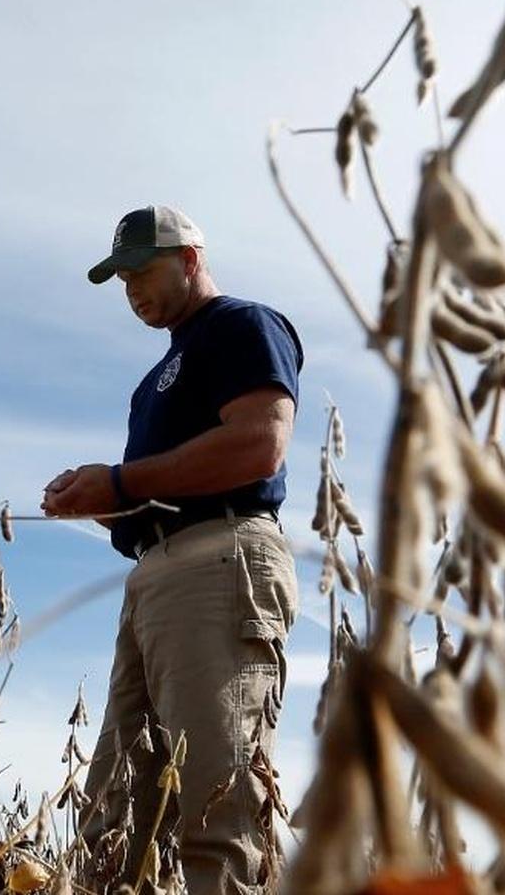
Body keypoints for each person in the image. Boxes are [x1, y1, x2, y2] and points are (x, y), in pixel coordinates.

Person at [41, 204, 303, 895]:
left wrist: (121, 480)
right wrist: (98, 500)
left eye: (142, 270)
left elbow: (259, 444)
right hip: (152, 580)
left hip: (222, 564)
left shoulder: (244, 327)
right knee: (116, 811)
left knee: (218, 803)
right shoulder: (149, 386)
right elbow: (157, 496)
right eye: (121, 278)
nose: (131, 289)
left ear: (189, 259)